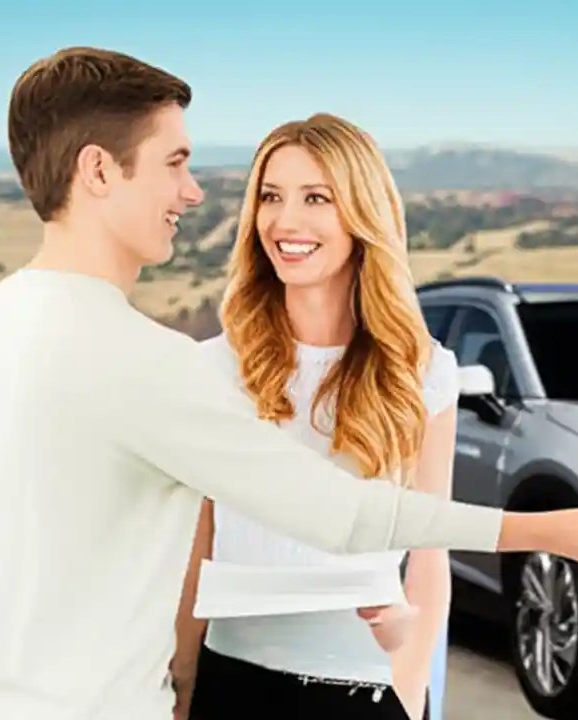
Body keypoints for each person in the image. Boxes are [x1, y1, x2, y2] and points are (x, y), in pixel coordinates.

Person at [0, 46, 578, 720]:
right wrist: (561, 531)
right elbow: (335, 514)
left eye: (316, 196)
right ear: (97, 170)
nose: (194, 192)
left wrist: (409, 679)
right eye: (175, 163)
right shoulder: (161, 363)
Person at [171, 113, 464, 720]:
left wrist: (409, 692)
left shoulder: (424, 373)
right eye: (270, 197)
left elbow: (430, 559)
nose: (285, 222)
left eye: (316, 198)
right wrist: (181, 685)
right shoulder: (211, 371)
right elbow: (195, 548)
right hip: (233, 688)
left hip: (369, 694)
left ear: (362, 214)